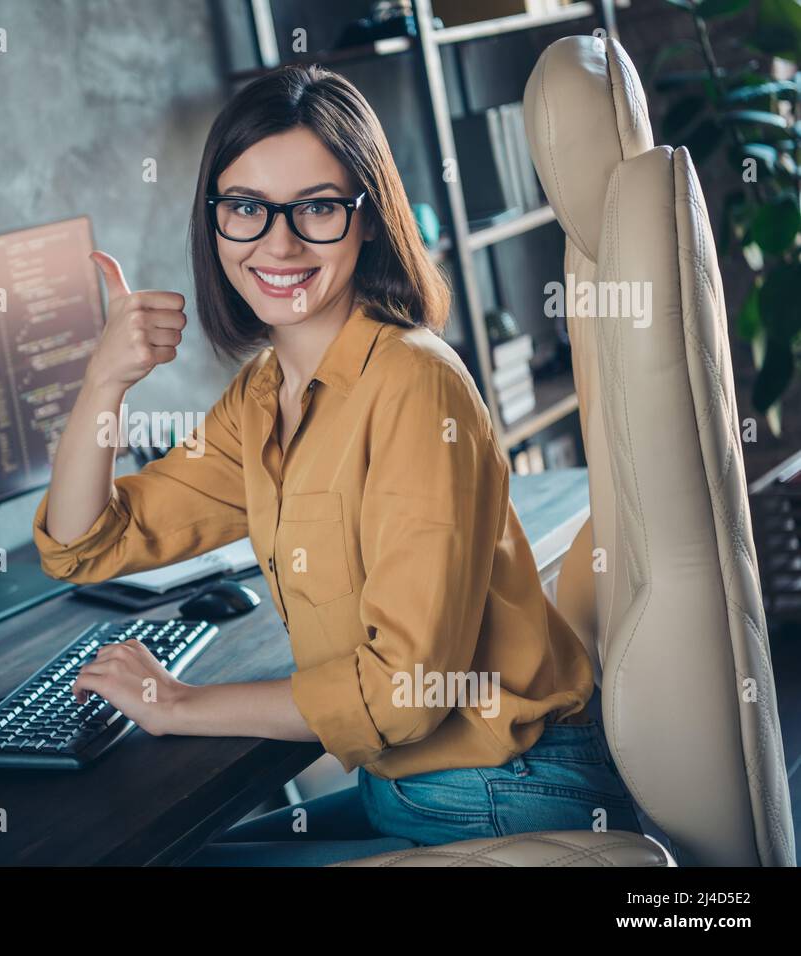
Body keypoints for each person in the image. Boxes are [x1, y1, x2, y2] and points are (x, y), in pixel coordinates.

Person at [32, 64, 642, 865]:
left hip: (506, 790)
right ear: (213, 223)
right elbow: (85, 545)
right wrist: (104, 379)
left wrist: (178, 703)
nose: (277, 243)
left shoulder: (414, 384)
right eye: (247, 209)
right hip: (416, 785)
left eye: (316, 208)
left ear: (367, 221)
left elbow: (402, 692)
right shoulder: (259, 399)